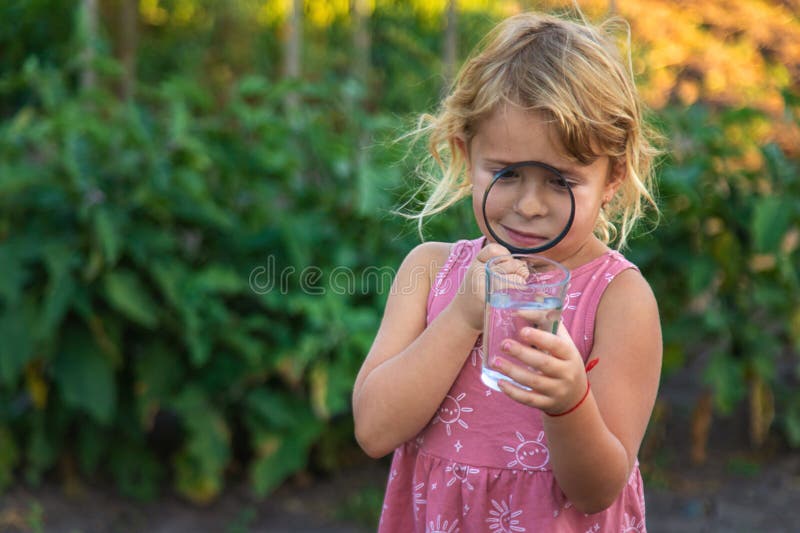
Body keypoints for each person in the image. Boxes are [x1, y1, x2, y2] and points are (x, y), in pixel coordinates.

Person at [353, 10, 662, 532]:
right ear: (464, 153)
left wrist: (569, 403)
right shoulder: (429, 271)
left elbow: (596, 492)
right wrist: (462, 316)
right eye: (507, 173)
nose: (530, 204)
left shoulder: (619, 298)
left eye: (561, 180)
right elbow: (374, 430)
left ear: (611, 177)